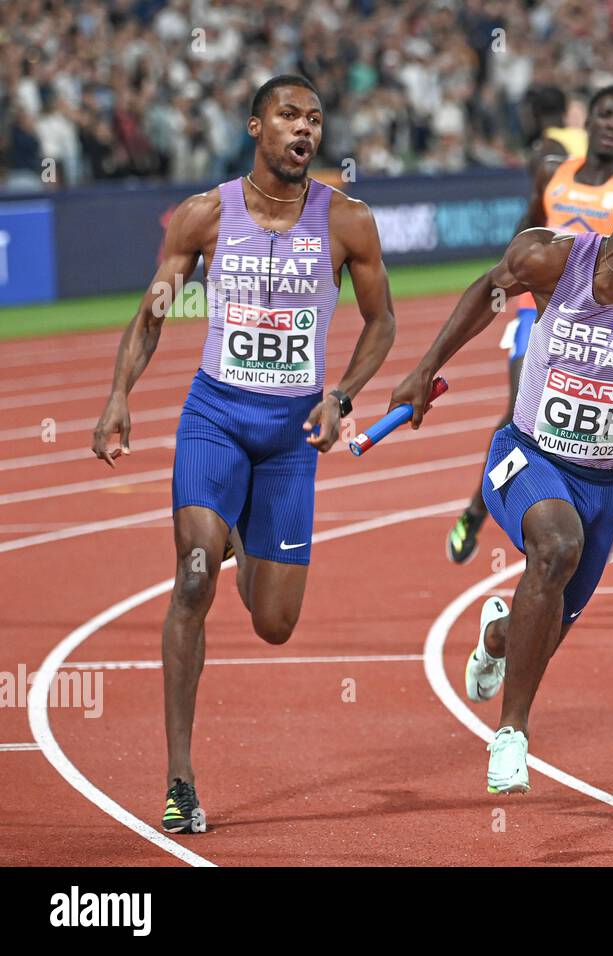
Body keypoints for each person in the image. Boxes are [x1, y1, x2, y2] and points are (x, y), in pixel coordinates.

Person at [90, 75, 397, 833]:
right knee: (193, 578)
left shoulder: (348, 221)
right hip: (216, 419)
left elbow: (382, 323)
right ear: (256, 124)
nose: (305, 130)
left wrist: (344, 395)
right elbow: (154, 313)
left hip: (292, 438)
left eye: (315, 120)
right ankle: (181, 780)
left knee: (274, 624)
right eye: (290, 116)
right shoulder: (203, 215)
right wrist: (119, 395)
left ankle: (237, 533)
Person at [388, 153, 613, 794]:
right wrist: (423, 370)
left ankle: (494, 636)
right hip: (525, 455)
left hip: (605, 486)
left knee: (535, 630)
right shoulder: (552, 258)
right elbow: (488, 291)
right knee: (555, 545)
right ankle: (511, 734)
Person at [446, 85, 613, 563]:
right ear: (587, 121)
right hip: (539, 312)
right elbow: (530, 225)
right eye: (605, 114)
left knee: (577, 419)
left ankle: (577, 508)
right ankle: (479, 510)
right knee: (520, 411)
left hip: (596, 324)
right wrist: (510, 275)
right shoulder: (553, 173)